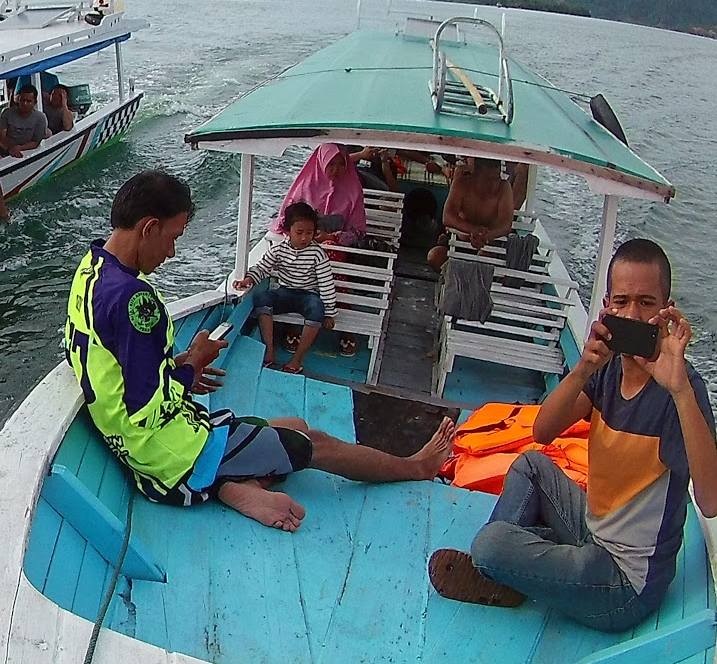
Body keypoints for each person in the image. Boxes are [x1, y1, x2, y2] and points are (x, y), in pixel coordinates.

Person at [65, 170, 454, 531]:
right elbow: (144, 405)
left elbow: (113, 367)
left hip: (142, 446)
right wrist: (193, 366)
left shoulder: (91, 272)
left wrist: (181, 364)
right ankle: (416, 467)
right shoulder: (136, 302)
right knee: (312, 442)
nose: (171, 252)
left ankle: (231, 480)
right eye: (173, 237)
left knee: (294, 427)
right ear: (149, 227)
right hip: (172, 454)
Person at [428, 239, 717, 632]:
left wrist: (681, 391)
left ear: (667, 311)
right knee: (531, 465)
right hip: (593, 530)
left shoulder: (679, 390)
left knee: (490, 546)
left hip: (625, 583)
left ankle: (505, 565)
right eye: (621, 301)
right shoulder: (606, 368)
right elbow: (543, 430)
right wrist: (584, 365)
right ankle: (512, 571)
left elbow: (711, 500)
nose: (632, 314)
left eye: (646, 302)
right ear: (606, 306)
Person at [271, 144, 366, 355]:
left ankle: (342, 323)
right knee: (309, 259)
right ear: (321, 163)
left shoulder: (352, 189)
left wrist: (332, 237)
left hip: (337, 250)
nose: (336, 170)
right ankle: (297, 322)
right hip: (303, 246)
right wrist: (310, 238)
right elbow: (287, 223)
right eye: (331, 164)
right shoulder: (305, 187)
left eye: (341, 165)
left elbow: (358, 231)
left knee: (328, 252)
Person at [234, 202, 338, 373]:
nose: (304, 237)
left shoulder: (318, 254)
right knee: (262, 298)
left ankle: (296, 360)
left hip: (307, 296)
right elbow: (263, 267)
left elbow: (326, 285)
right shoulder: (279, 250)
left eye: (309, 233)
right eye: (299, 232)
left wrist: (329, 313)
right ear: (288, 231)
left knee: (317, 309)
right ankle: (269, 350)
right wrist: (250, 278)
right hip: (285, 293)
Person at [427, 156, 517, 269]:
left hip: (488, 244)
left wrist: (484, 236)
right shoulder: (462, 184)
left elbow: (506, 225)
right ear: (476, 175)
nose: (494, 184)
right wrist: (473, 230)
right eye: (489, 179)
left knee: (484, 260)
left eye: (497, 178)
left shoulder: (503, 187)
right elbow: (447, 217)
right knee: (434, 256)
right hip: (459, 240)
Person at [0, 84, 49, 158]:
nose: (25, 104)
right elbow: (0, 137)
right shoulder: (7, 113)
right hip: (1, 149)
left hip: (24, 152)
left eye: (29, 101)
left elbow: (35, 142)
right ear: (18, 100)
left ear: (35, 102)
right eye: (22, 100)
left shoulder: (40, 118)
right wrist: (10, 149)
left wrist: (19, 148)